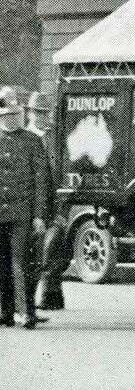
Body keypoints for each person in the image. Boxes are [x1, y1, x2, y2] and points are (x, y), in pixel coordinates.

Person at [0, 86, 51, 328]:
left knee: (20, 262)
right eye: (7, 116)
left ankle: (26, 312)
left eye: (15, 114)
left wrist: (39, 216)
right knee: (2, 264)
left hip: (22, 214)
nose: (12, 119)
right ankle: (6, 312)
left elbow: (41, 182)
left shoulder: (32, 141)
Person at [26, 92, 65, 311]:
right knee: (31, 252)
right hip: (29, 205)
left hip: (51, 202)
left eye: (44, 113)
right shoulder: (23, 137)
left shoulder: (53, 139)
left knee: (52, 246)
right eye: (37, 112)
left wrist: (59, 208)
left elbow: (57, 174)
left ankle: (51, 295)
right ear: (29, 113)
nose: (41, 117)